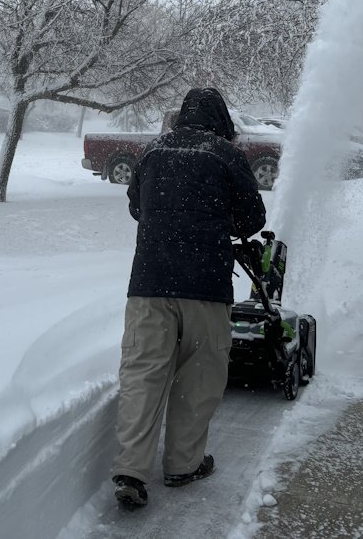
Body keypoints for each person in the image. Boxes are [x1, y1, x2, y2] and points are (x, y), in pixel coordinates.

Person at [111, 87, 267, 508]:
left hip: (149, 284)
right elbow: (254, 218)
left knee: (143, 373)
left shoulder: (153, 151)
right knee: (200, 377)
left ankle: (130, 469)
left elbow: (136, 207)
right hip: (205, 286)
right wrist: (216, 222)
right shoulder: (226, 154)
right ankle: (182, 466)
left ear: (182, 116)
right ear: (222, 121)